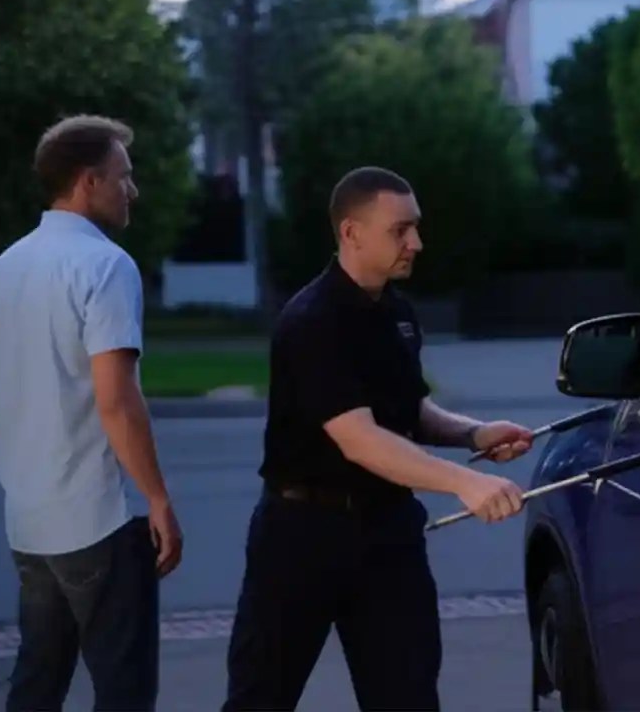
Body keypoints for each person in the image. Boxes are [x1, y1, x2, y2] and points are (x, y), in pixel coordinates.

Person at [223, 166, 533, 711]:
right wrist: (467, 482)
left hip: (389, 536)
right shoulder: (311, 321)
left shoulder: (397, 313)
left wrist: (475, 434)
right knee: (260, 698)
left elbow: (409, 408)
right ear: (351, 232)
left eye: (415, 228)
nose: (417, 242)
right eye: (401, 230)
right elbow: (360, 439)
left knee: (407, 697)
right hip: (301, 537)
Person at [0, 114, 183, 712]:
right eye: (124, 176)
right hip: (97, 522)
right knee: (123, 689)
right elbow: (116, 400)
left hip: (30, 523)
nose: (132, 190)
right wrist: (159, 500)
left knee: (37, 683)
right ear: (88, 182)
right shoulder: (105, 266)